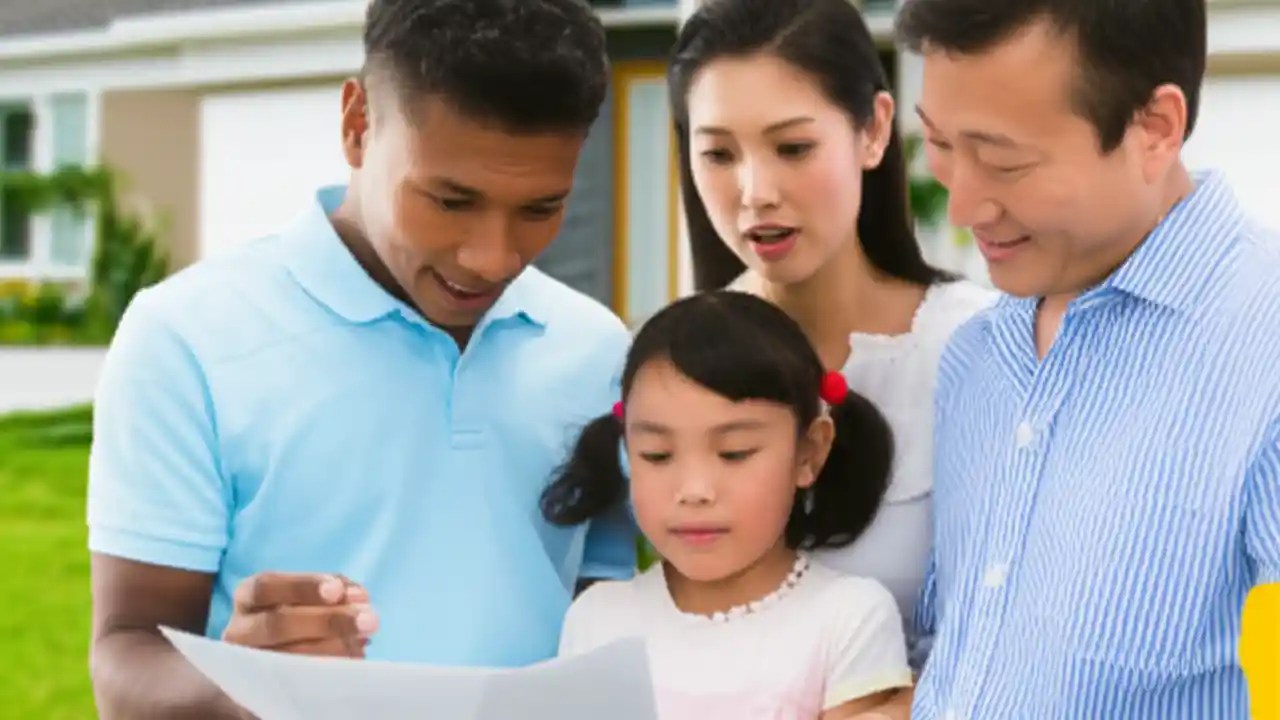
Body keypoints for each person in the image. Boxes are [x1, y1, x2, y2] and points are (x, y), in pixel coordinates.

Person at [86, 1, 636, 717]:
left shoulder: (597, 350)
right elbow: (126, 652)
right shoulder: (185, 337)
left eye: (540, 208)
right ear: (357, 124)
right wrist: (247, 685)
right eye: (449, 200)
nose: (492, 257)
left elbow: (615, 625)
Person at [896, 0, 1280, 716]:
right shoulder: (976, 356)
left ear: (1154, 129)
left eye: (1004, 161)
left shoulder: (1264, 348)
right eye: (941, 145)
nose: (962, 205)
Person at [667, 0, 997, 665]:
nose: (755, 191)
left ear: (873, 130)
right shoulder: (670, 363)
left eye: (792, 147)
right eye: (718, 154)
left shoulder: (983, 346)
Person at [543, 290, 914, 719]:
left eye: (734, 452)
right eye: (657, 455)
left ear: (809, 452)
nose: (695, 490)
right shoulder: (597, 620)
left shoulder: (848, 617)